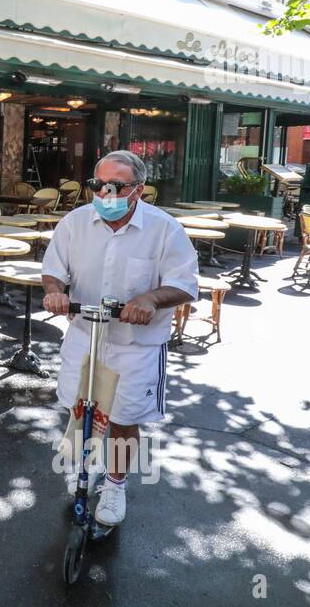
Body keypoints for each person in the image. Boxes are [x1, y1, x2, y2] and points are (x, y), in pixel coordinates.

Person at [40, 150, 197, 527]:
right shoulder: (75, 222)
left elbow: (185, 284)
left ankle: (115, 483)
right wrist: (55, 291)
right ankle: (86, 468)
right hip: (84, 333)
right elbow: (53, 269)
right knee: (79, 407)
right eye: (98, 184)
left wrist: (150, 298)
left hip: (134, 344)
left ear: (138, 190)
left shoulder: (164, 229)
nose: (105, 192)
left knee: (125, 419)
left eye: (116, 185)